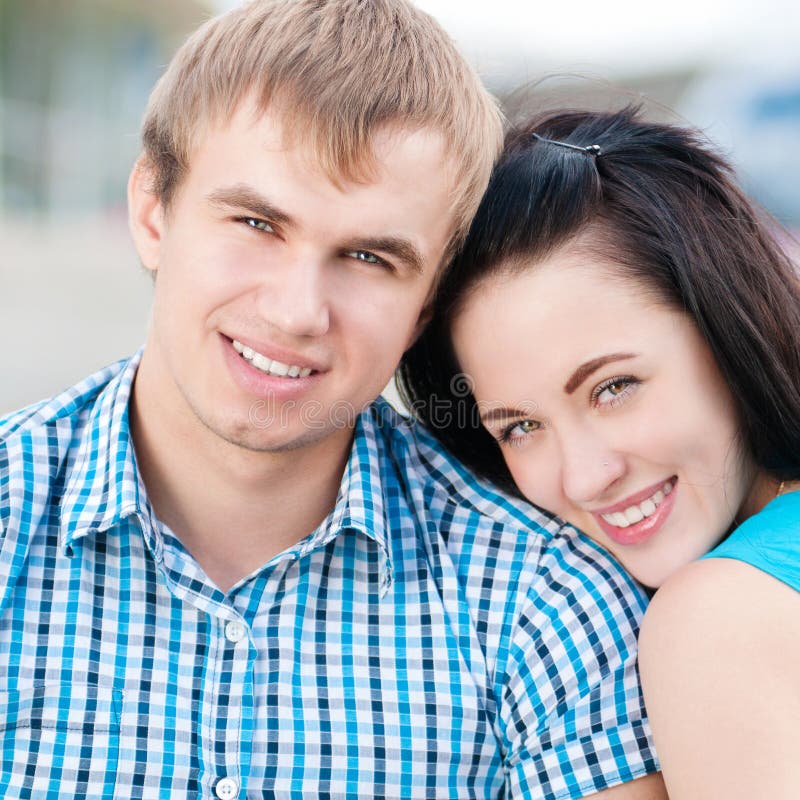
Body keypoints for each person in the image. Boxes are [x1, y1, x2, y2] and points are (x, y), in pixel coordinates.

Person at [0, 4, 665, 798]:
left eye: (367, 256)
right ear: (153, 210)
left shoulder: (543, 602)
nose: (295, 312)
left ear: (425, 307)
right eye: (256, 222)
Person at [399, 105, 800, 798]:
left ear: (725, 322)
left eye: (614, 387)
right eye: (519, 427)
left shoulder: (720, 619)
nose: (587, 477)